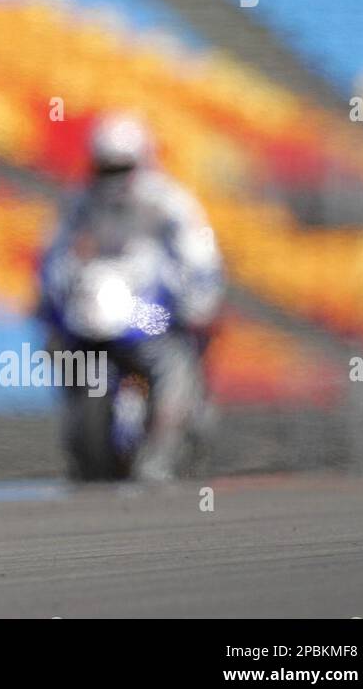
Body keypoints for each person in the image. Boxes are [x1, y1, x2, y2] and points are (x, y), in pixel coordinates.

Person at [39, 113, 225, 479]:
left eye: (121, 167)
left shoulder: (168, 201)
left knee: (176, 358)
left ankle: (166, 447)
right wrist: (53, 293)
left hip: (149, 312)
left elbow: (199, 250)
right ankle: (81, 434)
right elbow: (56, 253)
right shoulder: (80, 203)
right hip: (94, 312)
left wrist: (198, 293)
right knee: (58, 347)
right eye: (105, 167)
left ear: (141, 161)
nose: (113, 177)